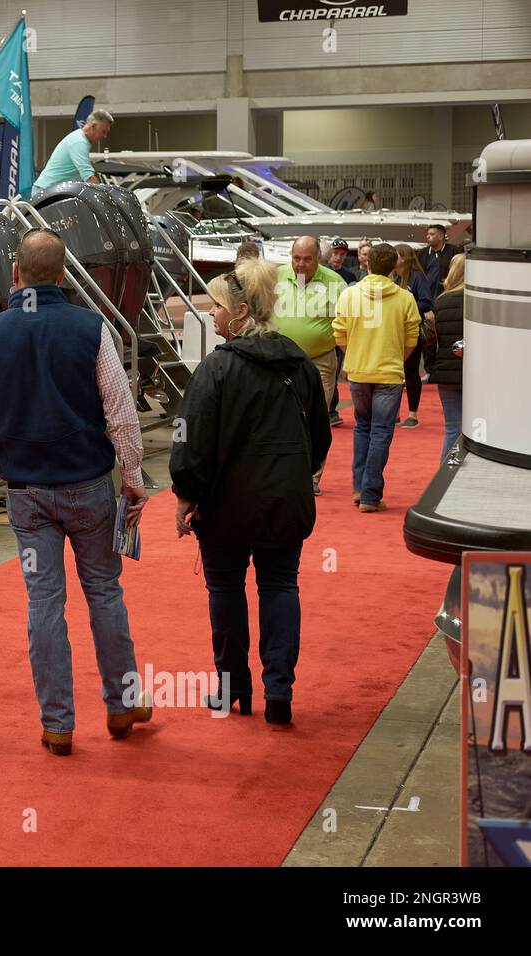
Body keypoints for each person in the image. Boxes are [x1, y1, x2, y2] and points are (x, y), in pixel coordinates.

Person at [0, 228, 153, 755]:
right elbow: (121, 411)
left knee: (44, 601)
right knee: (104, 593)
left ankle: (57, 722)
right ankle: (122, 702)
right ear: (63, 276)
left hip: (27, 493)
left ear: (14, 275)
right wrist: (132, 479)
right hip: (88, 487)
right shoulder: (91, 328)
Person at [170, 257, 331, 726]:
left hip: (226, 508)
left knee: (225, 588)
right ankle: (279, 691)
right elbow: (319, 436)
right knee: (280, 584)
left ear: (240, 313)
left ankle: (231, 685)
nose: (213, 314)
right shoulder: (299, 362)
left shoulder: (216, 369)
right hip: (284, 501)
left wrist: (186, 494)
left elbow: (190, 438)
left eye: (218, 306)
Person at [333, 242, 420, 513]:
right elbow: (411, 340)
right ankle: (370, 493)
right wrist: (394, 358)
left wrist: (357, 354)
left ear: (367, 264)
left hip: (358, 371)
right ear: (396, 265)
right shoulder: (405, 298)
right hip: (390, 373)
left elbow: (339, 334)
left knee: (362, 427)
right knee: (381, 431)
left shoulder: (349, 294)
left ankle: (360, 487)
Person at [273, 236, 346, 496]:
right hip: (281, 361)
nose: (300, 264)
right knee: (280, 416)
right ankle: (281, 472)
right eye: (296, 258)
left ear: (318, 259)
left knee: (316, 417)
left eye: (307, 259)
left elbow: (346, 321)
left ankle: (312, 476)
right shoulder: (277, 276)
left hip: (320, 361)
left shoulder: (335, 282)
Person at [428, 254, 466, 464]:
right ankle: (459, 469)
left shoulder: (440, 301)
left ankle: (447, 469)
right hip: (474, 372)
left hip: (445, 370)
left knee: (452, 427)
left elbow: (435, 337)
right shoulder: (477, 300)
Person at [393, 242, 434, 429]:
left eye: (396, 255)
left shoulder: (417, 278)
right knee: (393, 373)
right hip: (393, 331)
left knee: (410, 372)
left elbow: (426, 302)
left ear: (403, 257)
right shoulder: (393, 278)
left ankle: (412, 414)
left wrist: (406, 307)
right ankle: (393, 412)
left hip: (411, 331)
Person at [33, 109, 113, 194]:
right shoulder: (79, 142)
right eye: (103, 132)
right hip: (46, 192)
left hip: (50, 191)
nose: (105, 136)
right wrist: (105, 195)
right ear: (93, 126)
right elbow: (88, 177)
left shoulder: (81, 139)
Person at [420, 224, 461, 301]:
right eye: (427, 234)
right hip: (425, 296)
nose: (428, 236)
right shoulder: (422, 253)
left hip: (446, 295)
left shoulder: (454, 251)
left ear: (441, 237)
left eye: (432, 234)